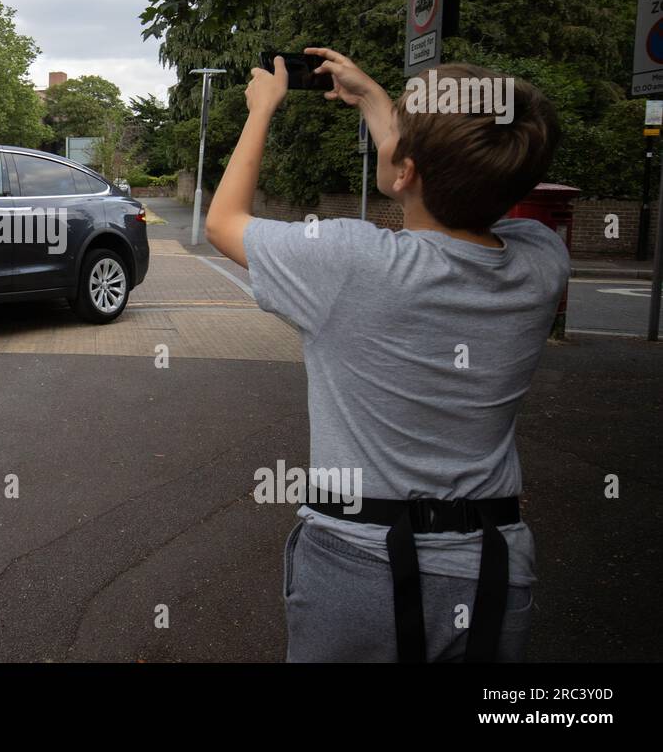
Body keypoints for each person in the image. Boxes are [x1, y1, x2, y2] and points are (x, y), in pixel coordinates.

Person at [204, 49, 568, 662]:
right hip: (493, 566)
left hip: (359, 565)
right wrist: (375, 101)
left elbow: (224, 222)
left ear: (405, 171)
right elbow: (453, 190)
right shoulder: (542, 262)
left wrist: (262, 108)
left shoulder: (352, 264)